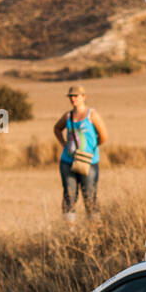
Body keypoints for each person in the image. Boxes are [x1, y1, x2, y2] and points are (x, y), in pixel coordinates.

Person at [53, 84, 108, 223]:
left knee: (90, 196)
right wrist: (64, 143)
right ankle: (69, 230)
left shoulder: (92, 115)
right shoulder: (68, 116)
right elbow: (57, 128)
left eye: (76, 96)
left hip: (88, 161)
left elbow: (104, 136)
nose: (73, 99)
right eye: (70, 96)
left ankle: (94, 230)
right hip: (68, 161)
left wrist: (91, 149)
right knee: (69, 195)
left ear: (84, 97)